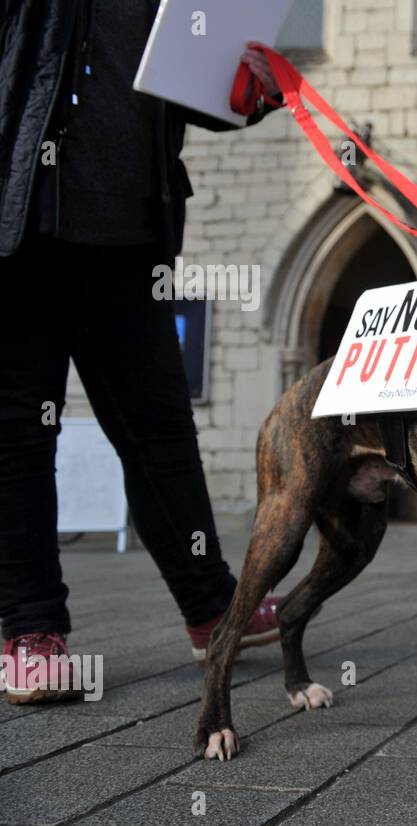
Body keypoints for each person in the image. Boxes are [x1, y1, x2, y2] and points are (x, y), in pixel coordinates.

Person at [0, 2, 285, 703]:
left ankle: (212, 607)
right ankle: (31, 629)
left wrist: (246, 92)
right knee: (19, 436)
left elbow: (188, 84)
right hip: (25, 228)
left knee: (160, 432)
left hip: (132, 234)